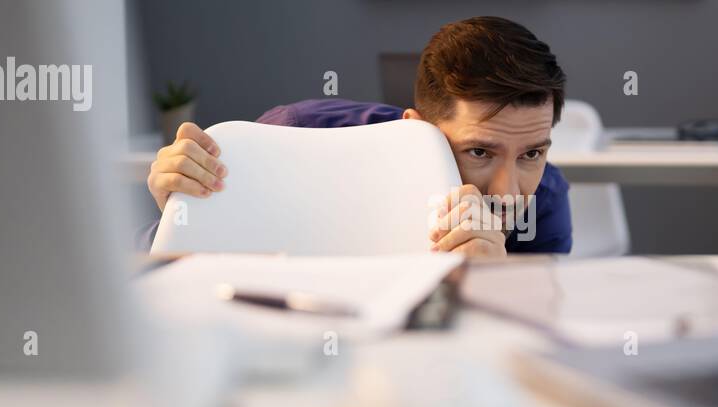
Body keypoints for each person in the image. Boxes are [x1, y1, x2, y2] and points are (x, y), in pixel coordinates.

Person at [138, 16, 572, 257]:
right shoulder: (292, 138)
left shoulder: (545, 199)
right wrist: (179, 208)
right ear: (416, 130)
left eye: (532, 154)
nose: (510, 193)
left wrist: (494, 287)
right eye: (479, 151)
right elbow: (154, 277)